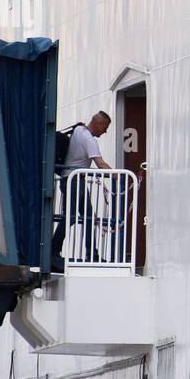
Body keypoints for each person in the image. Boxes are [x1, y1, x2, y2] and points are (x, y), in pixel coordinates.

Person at [52, 112, 112, 270]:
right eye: (105, 128)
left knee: (88, 218)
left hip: (71, 180)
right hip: (74, 182)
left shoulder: (79, 130)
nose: (105, 132)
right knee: (71, 217)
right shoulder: (89, 140)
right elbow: (99, 163)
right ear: (98, 124)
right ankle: (53, 251)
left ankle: (92, 253)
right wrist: (117, 176)